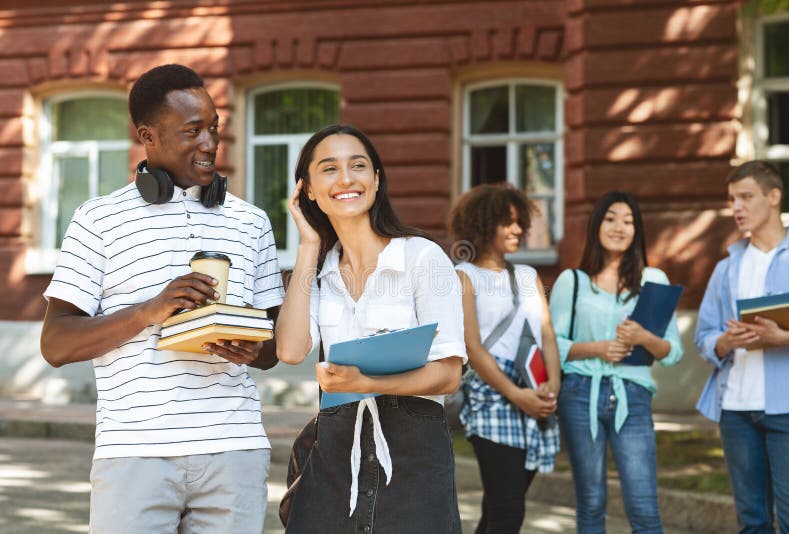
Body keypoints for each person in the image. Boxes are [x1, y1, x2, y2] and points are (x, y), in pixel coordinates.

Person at [39, 64, 284, 533]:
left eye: (214, 127)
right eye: (193, 131)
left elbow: (272, 350)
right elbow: (56, 344)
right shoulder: (98, 220)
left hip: (234, 450)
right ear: (147, 136)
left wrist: (251, 348)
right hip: (134, 453)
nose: (211, 142)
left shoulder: (252, 222)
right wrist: (150, 311)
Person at [275, 124, 466, 533]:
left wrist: (367, 381)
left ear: (376, 180)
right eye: (329, 169)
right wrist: (308, 246)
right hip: (336, 450)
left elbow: (450, 374)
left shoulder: (422, 258)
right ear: (307, 189)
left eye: (358, 166)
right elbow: (290, 351)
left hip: (414, 449)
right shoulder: (319, 270)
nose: (346, 178)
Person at [549, 191, 683, 533]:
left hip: (633, 395)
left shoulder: (654, 281)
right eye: (610, 218)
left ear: (637, 230)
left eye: (628, 220)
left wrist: (644, 339)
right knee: (591, 503)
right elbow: (553, 345)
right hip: (579, 394)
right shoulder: (572, 282)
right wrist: (597, 348)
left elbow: (673, 352)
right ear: (597, 225)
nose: (619, 227)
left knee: (643, 506)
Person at [695, 160, 789, 532]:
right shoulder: (727, 266)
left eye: (746, 197)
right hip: (736, 410)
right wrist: (723, 342)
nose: (737, 207)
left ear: (774, 197)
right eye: (732, 199)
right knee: (752, 522)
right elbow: (703, 336)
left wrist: (783, 338)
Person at [449, 183, 561, 534]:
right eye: (506, 222)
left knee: (499, 507)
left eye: (519, 222)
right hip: (492, 400)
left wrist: (551, 389)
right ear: (483, 225)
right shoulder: (464, 276)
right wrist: (517, 396)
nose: (517, 230)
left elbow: (547, 333)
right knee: (509, 508)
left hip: (535, 392)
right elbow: (472, 345)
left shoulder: (528, 276)